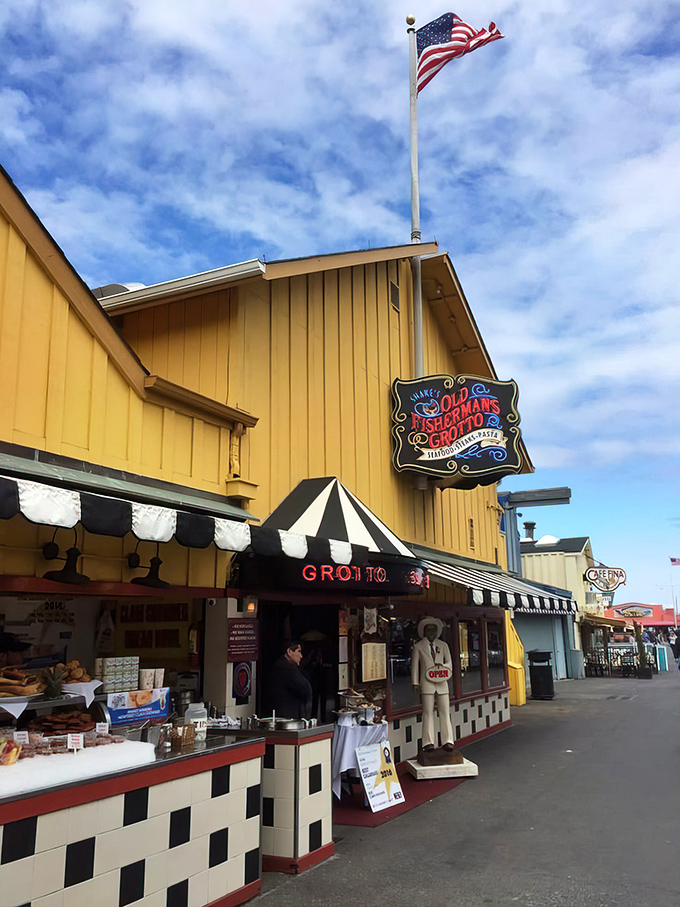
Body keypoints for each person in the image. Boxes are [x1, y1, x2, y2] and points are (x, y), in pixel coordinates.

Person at [411, 617, 455, 752]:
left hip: (442, 683)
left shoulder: (443, 645)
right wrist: (415, 682)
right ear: (424, 631)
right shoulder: (418, 646)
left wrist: (442, 666)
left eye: (434, 630)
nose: (432, 632)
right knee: (427, 712)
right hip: (427, 683)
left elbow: (450, 664)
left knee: (445, 711)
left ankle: (448, 741)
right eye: (429, 630)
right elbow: (415, 666)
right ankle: (428, 742)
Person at [268, 640, 312, 719]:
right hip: (288, 714)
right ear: (289, 651)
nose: (301, 656)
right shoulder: (285, 667)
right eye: (299, 652)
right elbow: (305, 687)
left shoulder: (282, 666)